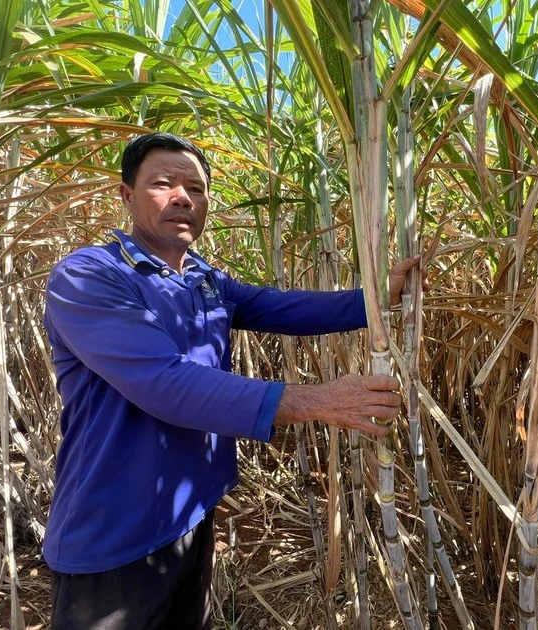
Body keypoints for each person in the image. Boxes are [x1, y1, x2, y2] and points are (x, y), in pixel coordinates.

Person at [42, 132, 425, 629]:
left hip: (191, 509)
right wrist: (320, 400)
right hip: (115, 528)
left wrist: (375, 299)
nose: (183, 197)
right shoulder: (89, 276)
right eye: (163, 183)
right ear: (126, 195)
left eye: (196, 189)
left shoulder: (202, 277)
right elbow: (163, 382)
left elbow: (280, 307)